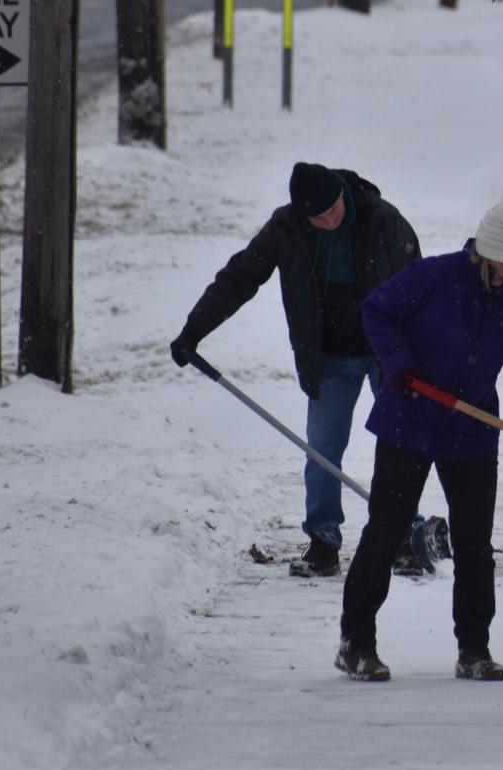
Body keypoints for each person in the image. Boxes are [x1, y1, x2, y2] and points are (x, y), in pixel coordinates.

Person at [335, 201, 503, 682]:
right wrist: (398, 364)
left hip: (471, 432)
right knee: (385, 533)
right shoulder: (433, 278)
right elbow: (377, 311)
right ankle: (356, 643)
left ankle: (474, 649)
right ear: (485, 250)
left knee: (475, 545)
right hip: (410, 418)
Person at [170, 162, 425, 578]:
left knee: (400, 445)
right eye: (317, 217)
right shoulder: (286, 228)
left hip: (388, 353)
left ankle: (400, 534)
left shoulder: (384, 220)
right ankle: (323, 541)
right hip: (328, 355)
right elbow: (239, 278)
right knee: (322, 449)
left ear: (342, 193)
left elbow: (419, 289)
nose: (328, 221)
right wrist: (193, 329)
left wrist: (421, 356)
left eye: (333, 210)